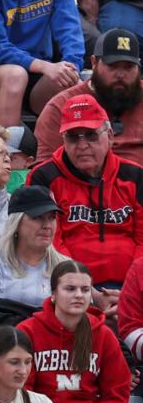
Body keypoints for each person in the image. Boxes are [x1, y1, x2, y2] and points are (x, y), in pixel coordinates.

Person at [26, 92, 143, 292]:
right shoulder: (43, 177)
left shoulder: (135, 176)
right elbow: (48, 242)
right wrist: (85, 292)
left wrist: (131, 291)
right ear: (62, 140)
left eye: (91, 135)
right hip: (68, 288)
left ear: (110, 137)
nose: (82, 146)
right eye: (73, 137)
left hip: (133, 285)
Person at [16, 260, 128, 403]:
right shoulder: (27, 331)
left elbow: (118, 393)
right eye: (70, 289)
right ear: (53, 293)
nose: (79, 295)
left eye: (85, 290)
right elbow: (19, 390)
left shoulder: (104, 336)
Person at [35, 27, 143, 164]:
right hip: (85, 183)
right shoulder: (60, 106)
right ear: (94, 63)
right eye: (113, 66)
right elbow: (44, 171)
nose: (120, 74)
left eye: (128, 67)